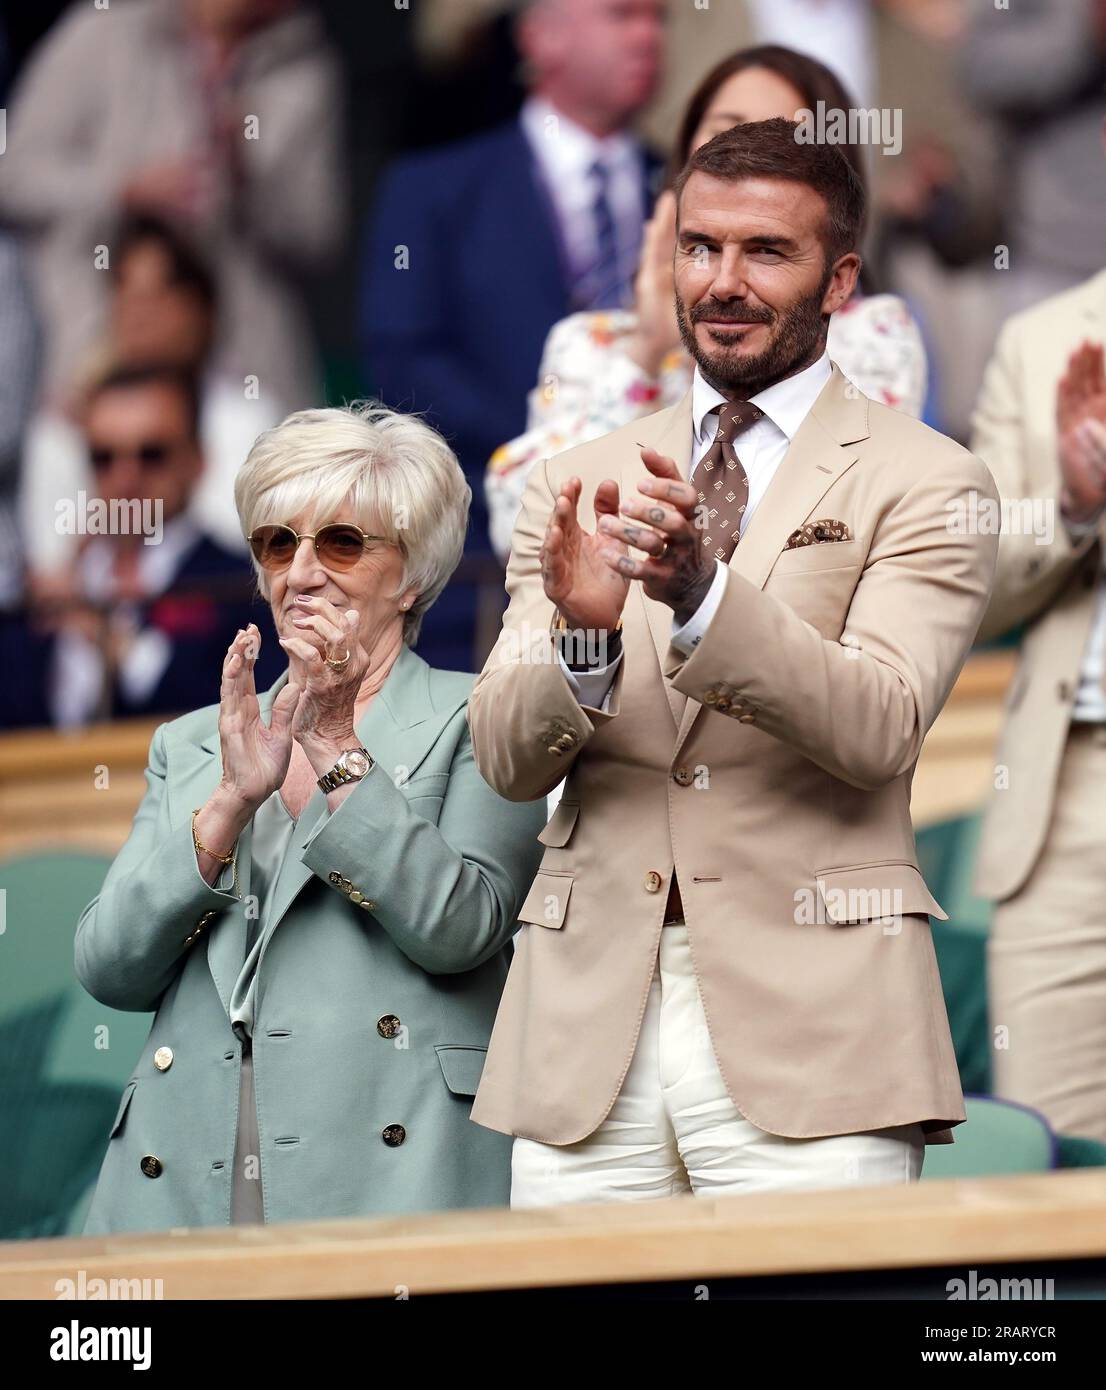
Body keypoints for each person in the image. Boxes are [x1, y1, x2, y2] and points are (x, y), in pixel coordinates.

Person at [467, 119, 1000, 1204]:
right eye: (699, 247)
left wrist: (701, 595)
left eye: (765, 252)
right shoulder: (575, 477)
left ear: (839, 278)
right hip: (582, 1038)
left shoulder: (928, 479)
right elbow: (503, 761)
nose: (721, 280)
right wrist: (580, 638)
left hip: (821, 1031)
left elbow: (879, 724)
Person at [75, 403, 546, 1233]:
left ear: (411, 576)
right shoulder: (192, 742)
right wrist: (227, 805)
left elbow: (462, 927)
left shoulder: (480, 712)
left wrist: (333, 748)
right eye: (277, 543)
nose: (302, 572)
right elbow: (110, 967)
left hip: (393, 1168)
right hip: (187, 1167)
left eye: (341, 542)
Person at [486, 46, 927, 562]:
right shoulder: (590, 343)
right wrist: (647, 355)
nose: (752, 151)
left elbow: (849, 522)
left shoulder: (871, 332)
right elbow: (525, 532)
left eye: (785, 136)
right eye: (728, 128)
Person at [361, 0, 665, 664]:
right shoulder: (432, 191)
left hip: (667, 554)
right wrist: (559, 447)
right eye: (623, 14)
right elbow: (402, 362)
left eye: (657, 16)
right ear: (541, 36)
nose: (649, 34)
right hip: (483, 575)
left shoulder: (683, 189)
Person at [0, 0, 344, 412]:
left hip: (248, 363)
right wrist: (121, 188)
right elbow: (14, 174)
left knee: (258, 462)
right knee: (113, 461)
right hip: (91, 351)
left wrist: (244, 167)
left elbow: (318, 238)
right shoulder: (103, 32)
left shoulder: (304, 66)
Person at [970, 243, 1106, 1142]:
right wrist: (1072, 506)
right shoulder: (1041, 340)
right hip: (1066, 796)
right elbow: (972, 577)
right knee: (1051, 1150)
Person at [21, 213, 284, 583]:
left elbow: (242, 557)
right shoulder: (62, 426)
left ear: (202, 309)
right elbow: (50, 574)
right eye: (125, 293)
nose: (138, 314)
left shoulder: (249, 418)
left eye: (158, 294)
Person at [33, 364, 282, 729]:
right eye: (103, 457)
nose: (125, 476)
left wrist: (116, 643)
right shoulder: (53, 586)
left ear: (198, 461)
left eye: (151, 455)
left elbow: (246, 718)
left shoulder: (246, 585)